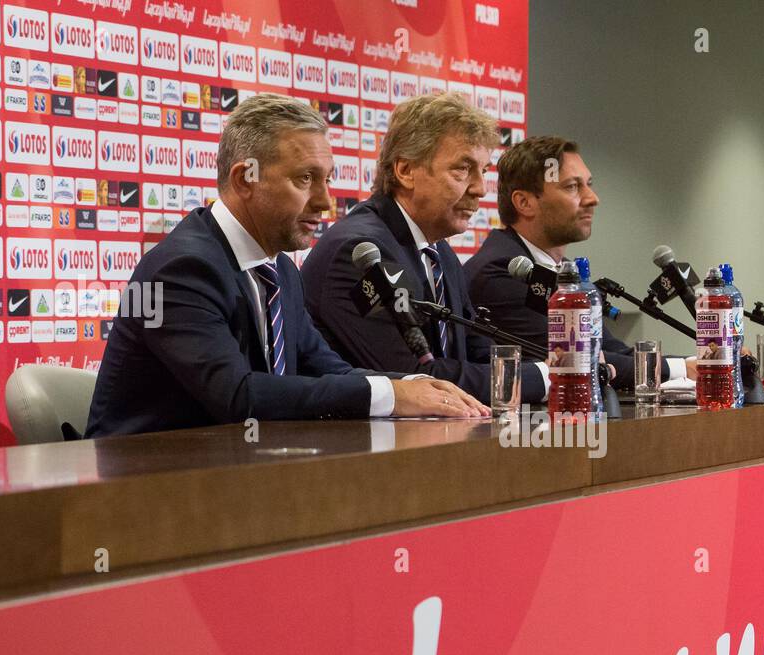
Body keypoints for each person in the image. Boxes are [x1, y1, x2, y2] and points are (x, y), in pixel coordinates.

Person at [86, 94, 484, 438]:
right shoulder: (180, 270)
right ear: (246, 179)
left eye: (326, 180)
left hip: (231, 478)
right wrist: (390, 396)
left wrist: (416, 385)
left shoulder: (280, 272)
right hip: (140, 491)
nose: (325, 202)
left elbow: (327, 369)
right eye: (305, 179)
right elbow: (236, 396)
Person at [300, 93, 549, 405]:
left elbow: (476, 347)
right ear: (406, 171)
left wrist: (549, 366)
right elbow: (416, 378)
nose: (480, 188)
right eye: (463, 168)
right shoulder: (360, 252)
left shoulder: (438, 251)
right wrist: (543, 378)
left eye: (483, 171)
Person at [463, 136, 687, 385]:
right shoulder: (499, 273)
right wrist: (689, 367)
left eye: (588, 184)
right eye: (572, 187)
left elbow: (615, 352)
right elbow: (577, 360)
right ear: (524, 202)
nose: (592, 198)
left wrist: (698, 361)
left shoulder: (566, 273)